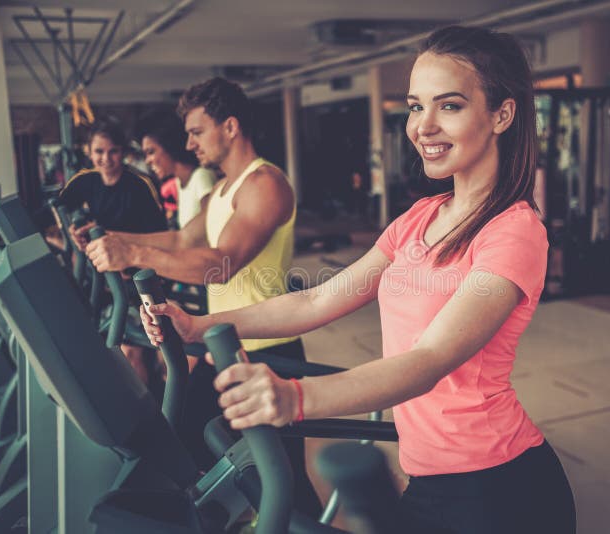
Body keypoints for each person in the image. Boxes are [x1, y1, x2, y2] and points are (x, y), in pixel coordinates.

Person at [141, 26, 576, 534]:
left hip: (497, 488)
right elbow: (317, 300)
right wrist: (198, 326)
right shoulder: (419, 218)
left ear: (502, 114)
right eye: (416, 106)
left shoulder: (514, 232)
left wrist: (296, 398)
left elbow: (430, 359)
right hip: (429, 478)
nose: (423, 126)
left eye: (449, 106)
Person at [80, 78, 322, 516]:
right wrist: (114, 239)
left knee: (287, 484)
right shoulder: (221, 190)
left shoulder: (264, 184)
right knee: (191, 447)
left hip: (267, 349)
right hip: (225, 345)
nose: (188, 143)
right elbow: (180, 239)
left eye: (197, 131)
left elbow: (222, 262)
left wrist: (131, 253)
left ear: (229, 126)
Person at [60, 119, 167, 385]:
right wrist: (73, 232)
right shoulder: (85, 182)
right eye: (99, 152)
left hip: (133, 281)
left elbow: (162, 239)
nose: (106, 159)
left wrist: (115, 243)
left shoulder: (139, 186)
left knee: (131, 353)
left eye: (113, 151)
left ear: (122, 152)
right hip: (99, 281)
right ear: (89, 151)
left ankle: (147, 417)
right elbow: (50, 212)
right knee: (103, 350)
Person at [138, 111, 217, 229]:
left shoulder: (202, 177)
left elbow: (205, 232)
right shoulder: (180, 183)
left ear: (169, 146)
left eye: (151, 152)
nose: (147, 161)